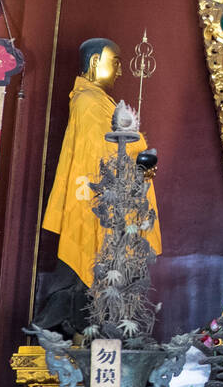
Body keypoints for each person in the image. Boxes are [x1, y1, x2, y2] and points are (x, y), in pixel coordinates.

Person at [38, 38, 160, 334]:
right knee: (88, 266)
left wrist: (141, 161)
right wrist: (138, 155)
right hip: (96, 204)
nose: (120, 71)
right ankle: (64, 325)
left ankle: (78, 325)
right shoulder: (88, 103)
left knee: (98, 273)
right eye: (115, 62)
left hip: (107, 201)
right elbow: (101, 157)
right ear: (95, 62)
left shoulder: (97, 101)